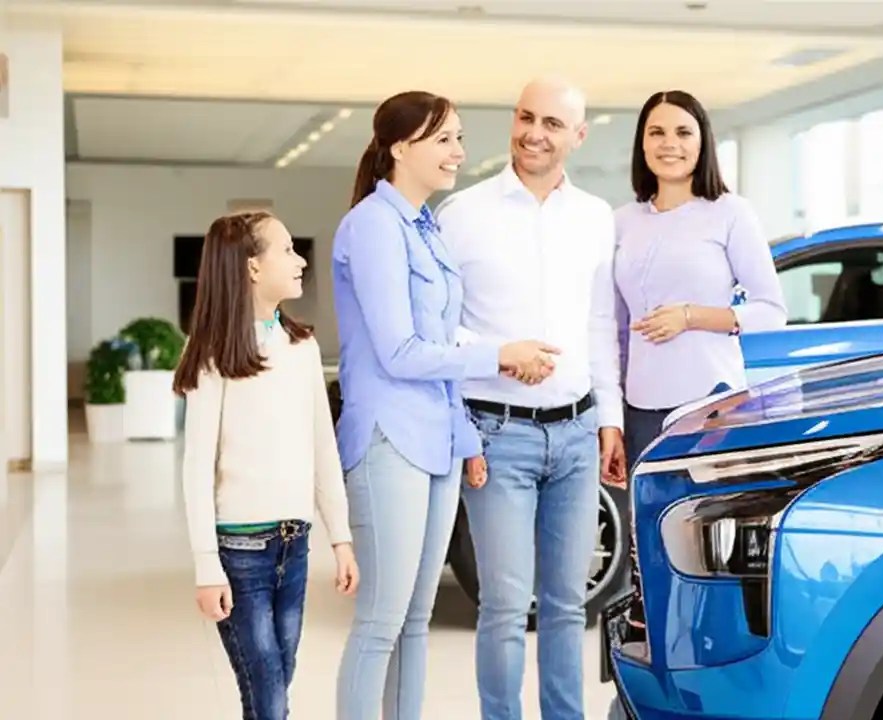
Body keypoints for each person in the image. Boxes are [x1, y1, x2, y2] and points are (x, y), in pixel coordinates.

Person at [331, 90, 557, 720]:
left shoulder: (425, 227)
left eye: (459, 137)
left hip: (435, 440)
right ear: (402, 147)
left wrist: (465, 437)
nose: (459, 151)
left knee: (415, 621)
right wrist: (501, 355)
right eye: (444, 139)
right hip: (388, 440)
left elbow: (443, 339)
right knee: (381, 619)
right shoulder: (373, 226)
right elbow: (402, 352)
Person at [436, 76, 626, 720]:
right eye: (524, 117)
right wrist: (497, 351)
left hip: (576, 433)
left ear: (578, 135)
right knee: (506, 603)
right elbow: (439, 323)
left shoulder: (597, 217)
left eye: (551, 123)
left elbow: (602, 323)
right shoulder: (463, 214)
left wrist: (611, 419)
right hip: (497, 433)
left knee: (568, 603)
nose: (533, 133)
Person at [610, 89, 786, 660]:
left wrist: (691, 316)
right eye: (657, 132)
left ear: (702, 140)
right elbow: (611, 330)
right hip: (642, 409)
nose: (670, 144)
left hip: (712, 408)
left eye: (683, 132)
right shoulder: (622, 222)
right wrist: (609, 418)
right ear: (642, 143)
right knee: (649, 556)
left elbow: (771, 310)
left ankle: (713, 666)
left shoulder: (730, 213)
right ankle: (654, 672)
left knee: (709, 550)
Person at [175, 210, 360, 720]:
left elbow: (323, 447)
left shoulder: (301, 346)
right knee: (268, 690)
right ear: (252, 267)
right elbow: (196, 467)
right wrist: (205, 564)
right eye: (286, 250)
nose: (300, 261)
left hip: (293, 544)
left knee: (275, 682)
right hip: (240, 552)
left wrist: (340, 539)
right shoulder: (211, 352)